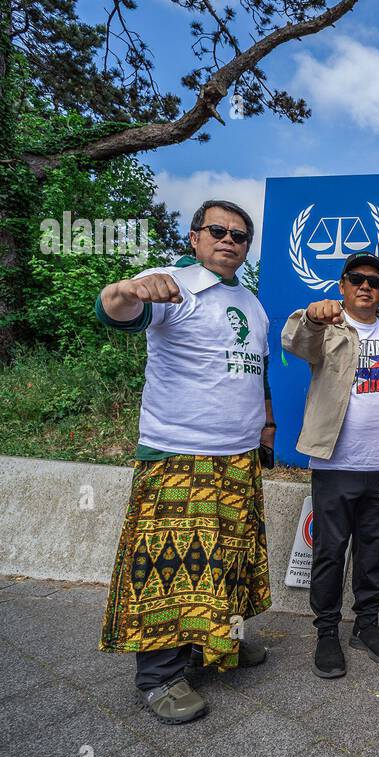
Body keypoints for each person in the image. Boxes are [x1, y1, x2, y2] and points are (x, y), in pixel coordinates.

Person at [96, 199, 272, 725]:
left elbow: (253, 375)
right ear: (194, 236)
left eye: (239, 236)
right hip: (178, 455)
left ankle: (220, 642)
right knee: (169, 566)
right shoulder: (170, 283)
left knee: (226, 561)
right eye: (217, 230)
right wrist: (126, 290)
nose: (228, 240)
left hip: (237, 460)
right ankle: (161, 677)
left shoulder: (252, 303)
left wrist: (265, 426)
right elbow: (114, 308)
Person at [281, 253, 379, 680]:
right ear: (342, 286)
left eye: (374, 281)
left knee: (373, 552)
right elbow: (296, 343)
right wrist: (311, 317)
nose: (365, 286)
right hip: (335, 465)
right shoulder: (327, 325)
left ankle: (366, 625)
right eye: (355, 279)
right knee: (329, 552)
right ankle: (326, 633)